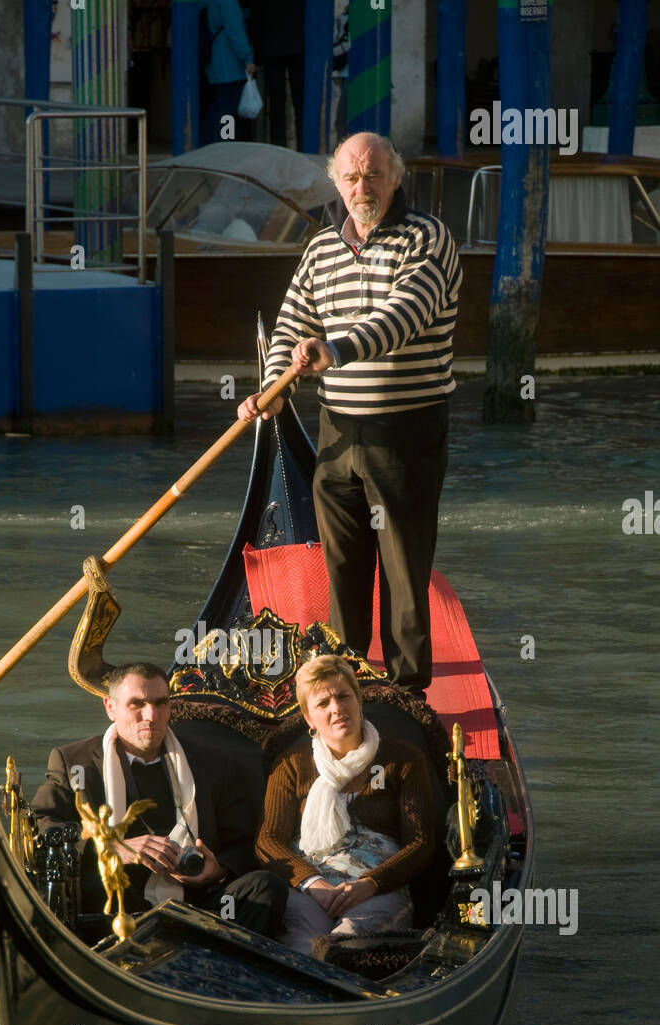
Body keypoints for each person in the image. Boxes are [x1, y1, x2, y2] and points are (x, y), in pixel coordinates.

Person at [238, 131, 462, 699]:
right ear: (335, 183)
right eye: (352, 177)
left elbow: (405, 314)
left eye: (374, 175)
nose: (363, 187)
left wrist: (334, 350)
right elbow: (290, 325)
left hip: (405, 429)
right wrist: (272, 391)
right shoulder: (321, 249)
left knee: (405, 576)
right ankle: (346, 686)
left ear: (396, 177)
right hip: (337, 431)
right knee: (343, 570)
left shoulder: (428, 239)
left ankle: (408, 695)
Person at [30, 661, 287, 938]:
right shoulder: (74, 762)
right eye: (136, 704)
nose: (151, 715)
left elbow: (243, 840)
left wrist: (218, 870)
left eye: (161, 703)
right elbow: (43, 830)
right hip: (115, 904)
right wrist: (114, 849)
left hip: (200, 905)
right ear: (110, 708)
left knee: (266, 887)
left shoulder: (212, 762)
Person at [255, 655, 436, 965]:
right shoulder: (291, 765)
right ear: (309, 718)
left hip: (378, 890)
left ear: (358, 700)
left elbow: (421, 842)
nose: (336, 708)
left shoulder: (402, 759)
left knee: (344, 948)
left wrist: (371, 883)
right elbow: (268, 840)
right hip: (313, 889)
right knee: (302, 948)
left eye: (343, 696)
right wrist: (313, 884)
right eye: (323, 703)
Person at [248, 0, 304, 148]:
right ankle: (304, 145)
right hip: (299, 47)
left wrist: (257, 56)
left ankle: (278, 146)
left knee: (276, 105)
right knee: (301, 103)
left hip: (271, 49)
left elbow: (256, 19)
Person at [200, 0, 256, 146]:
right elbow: (235, 30)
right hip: (229, 64)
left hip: (215, 63)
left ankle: (207, 144)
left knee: (217, 107)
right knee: (228, 110)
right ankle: (224, 145)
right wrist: (248, 58)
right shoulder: (227, 2)